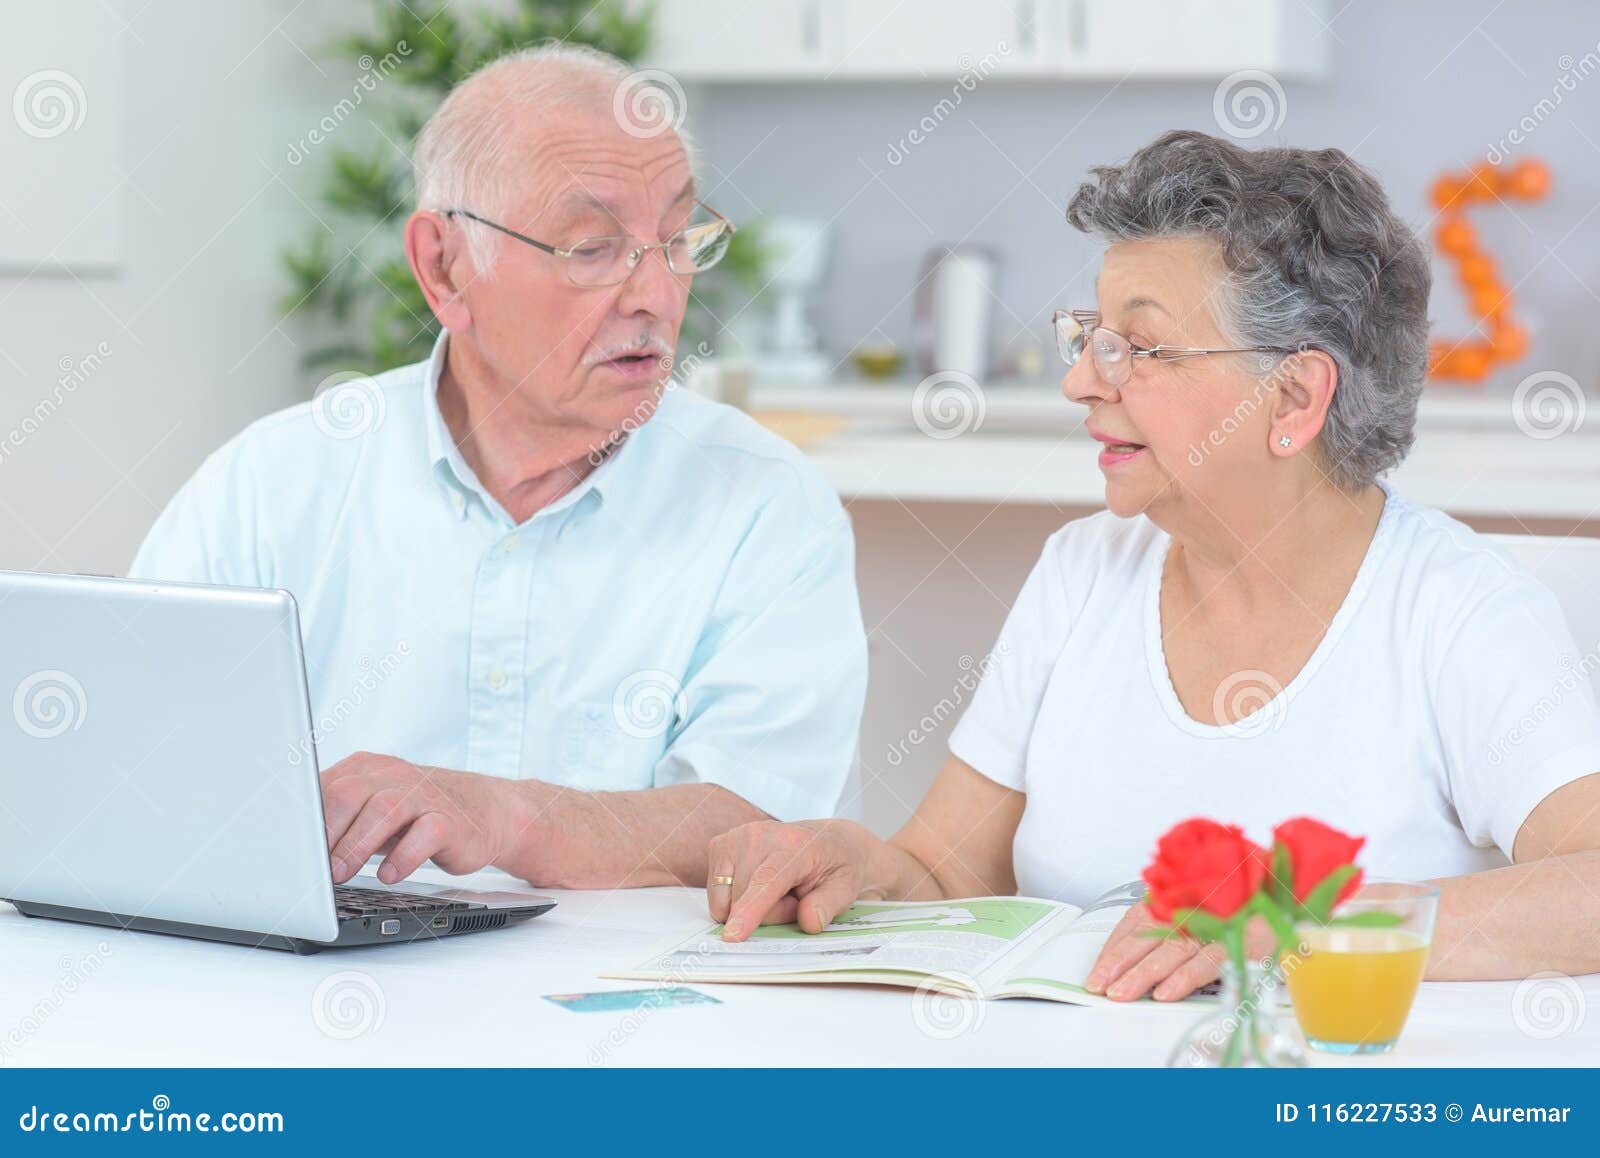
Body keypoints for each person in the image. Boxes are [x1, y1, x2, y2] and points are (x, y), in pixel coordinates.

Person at [706, 130, 1600, 1000]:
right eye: (1091, 338)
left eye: (1141, 348)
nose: (1082, 383)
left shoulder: (1459, 611)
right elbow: (945, 871)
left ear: (1292, 395)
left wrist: (1305, 931)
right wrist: (846, 862)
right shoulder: (1083, 569)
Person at [130, 45, 866, 892]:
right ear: (444, 267)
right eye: (593, 247)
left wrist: (505, 817)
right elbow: (144, 768)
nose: (655, 294)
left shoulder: (765, 501)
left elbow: (758, 819)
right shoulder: (269, 485)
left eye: (676, 239)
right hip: (313, 999)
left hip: (635, 1007)